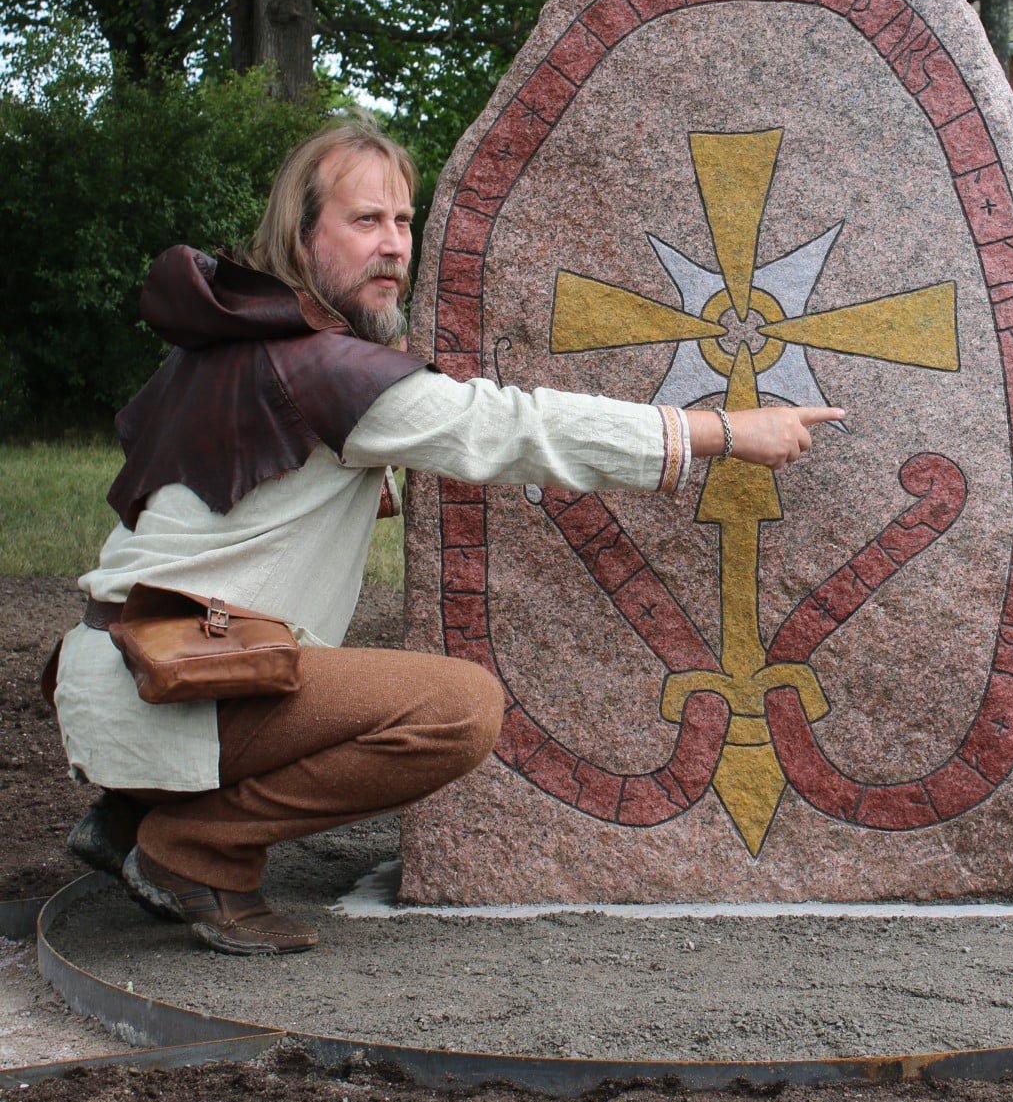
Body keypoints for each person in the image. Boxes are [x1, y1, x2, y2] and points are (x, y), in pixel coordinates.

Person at [53, 118, 842, 956]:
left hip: (125, 674)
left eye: (404, 221)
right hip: (174, 687)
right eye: (364, 222)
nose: (393, 245)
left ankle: (135, 814)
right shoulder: (324, 370)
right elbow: (508, 426)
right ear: (300, 234)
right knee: (457, 710)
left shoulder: (226, 353)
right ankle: (191, 851)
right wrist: (718, 431)